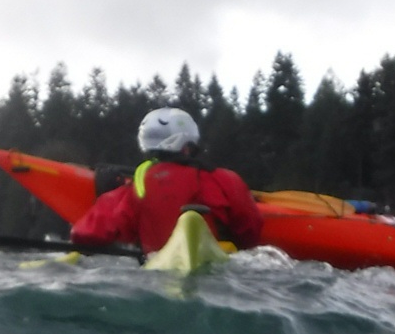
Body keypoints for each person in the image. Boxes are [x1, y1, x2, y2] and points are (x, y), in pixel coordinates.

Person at [71, 107, 263, 253]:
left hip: (158, 270)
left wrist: (104, 194)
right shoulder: (225, 180)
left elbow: (85, 234)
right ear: (188, 145)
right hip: (222, 272)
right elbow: (251, 234)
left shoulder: (135, 189)